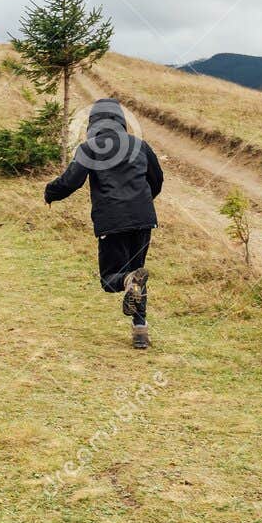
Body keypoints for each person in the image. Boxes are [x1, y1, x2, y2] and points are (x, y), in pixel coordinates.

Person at [44, 98, 164, 349]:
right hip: (143, 220)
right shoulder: (139, 145)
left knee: (110, 279)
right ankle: (140, 331)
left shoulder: (89, 148)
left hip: (112, 222)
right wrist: (142, 202)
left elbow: (70, 182)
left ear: (94, 123)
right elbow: (157, 179)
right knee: (138, 275)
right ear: (120, 120)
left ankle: (129, 284)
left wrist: (50, 193)